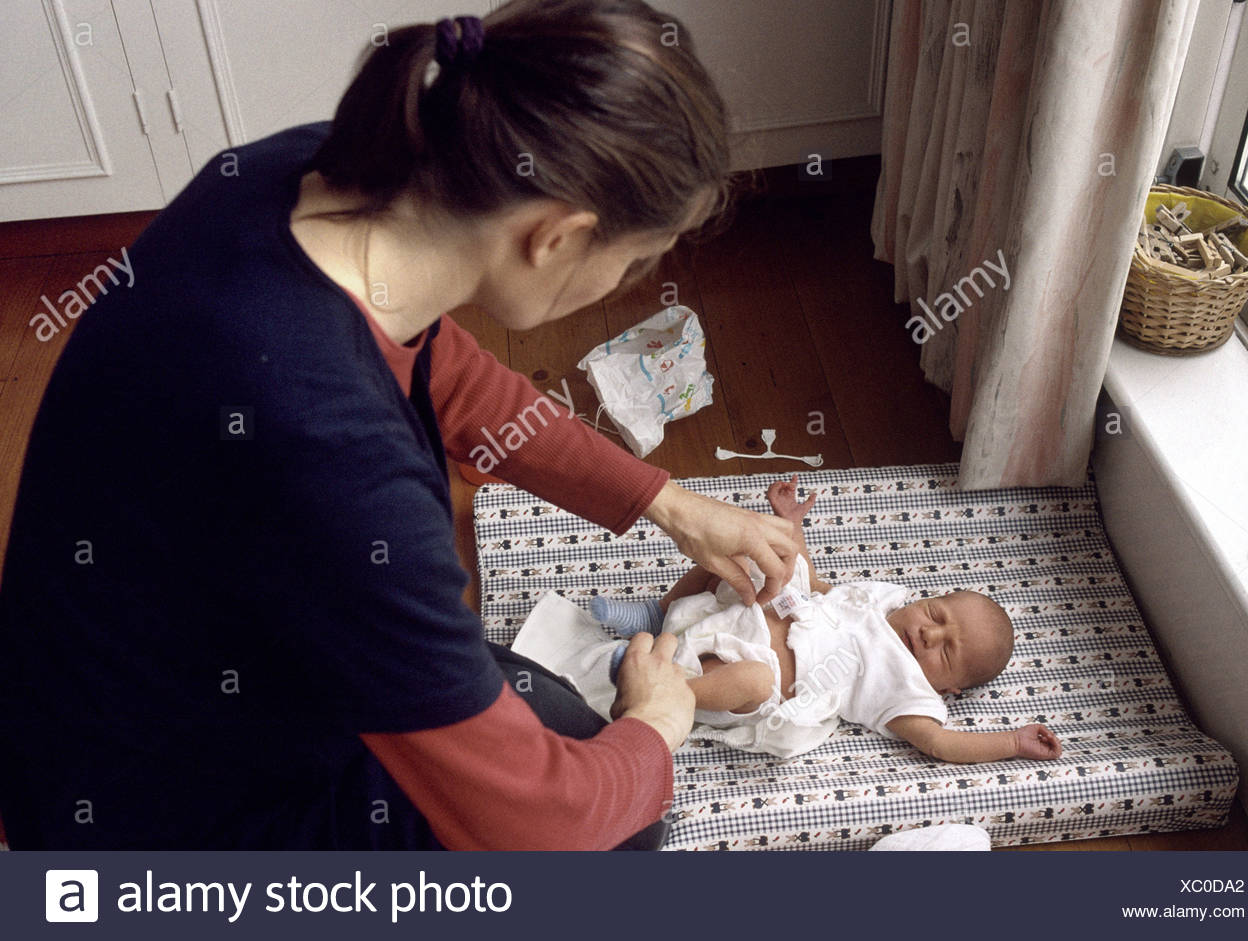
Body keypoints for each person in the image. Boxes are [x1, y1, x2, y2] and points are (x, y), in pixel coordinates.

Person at [0, 2, 801, 851]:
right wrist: (657, 728)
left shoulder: (315, 175)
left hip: (140, 678)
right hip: (160, 815)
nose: (629, 281)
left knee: (561, 726)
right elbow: (535, 826)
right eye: (637, 260)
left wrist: (668, 502)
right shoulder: (328, 452)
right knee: (622, 826)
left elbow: (444, 369)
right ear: (559, 236)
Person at [583, 476, 1064, 762]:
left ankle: (665, 691)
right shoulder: (882, 601)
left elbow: (941, 744)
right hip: (736, 613)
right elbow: (812, 584)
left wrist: (1012, 742)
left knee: (752, 677)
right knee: (752, 558)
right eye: (937, 615)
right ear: (927, 599)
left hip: (747, 678)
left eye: (946, 651)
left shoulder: (910, 694)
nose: (929, 633)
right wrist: (792, 528)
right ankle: (659, 613)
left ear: (948, 689)